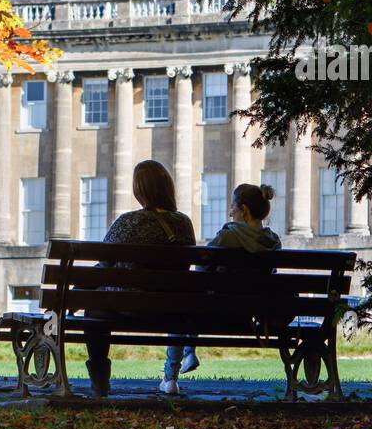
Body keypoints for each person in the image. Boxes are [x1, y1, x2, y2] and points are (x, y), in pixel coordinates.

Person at [85, 160, 195, 397]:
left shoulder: (127, 222)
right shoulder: (183, 224)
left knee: (93, 310)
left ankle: (100, 381)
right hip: (169, 309)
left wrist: (76, 291)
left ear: (139, 190)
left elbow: (103, 266)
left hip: (125, 307)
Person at [171, 183, 283, 386]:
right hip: (252, 316)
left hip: (218, 313)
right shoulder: (273, 242)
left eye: (233, 207)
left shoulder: (227, 237)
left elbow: (200, 270)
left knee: (186, 296)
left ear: (244, 210)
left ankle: (186, 354)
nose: (230, 212)